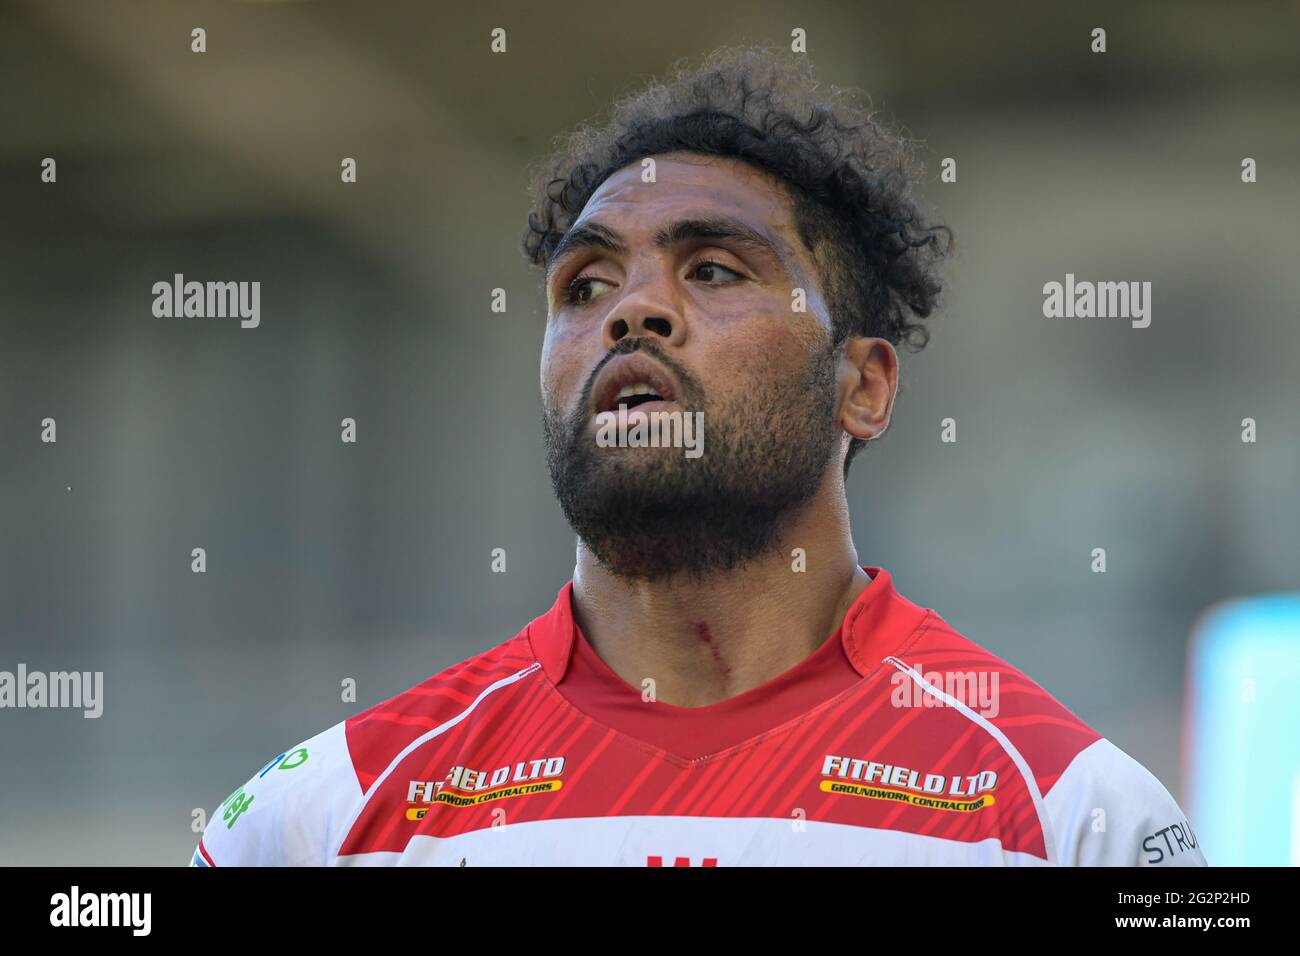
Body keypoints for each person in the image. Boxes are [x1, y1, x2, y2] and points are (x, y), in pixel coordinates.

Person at [192, 47, 1205, 867]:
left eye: (713, 268)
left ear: (864, 384)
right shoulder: (317, 822)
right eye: (585, 286)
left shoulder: (1073, 816)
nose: (631, 311)